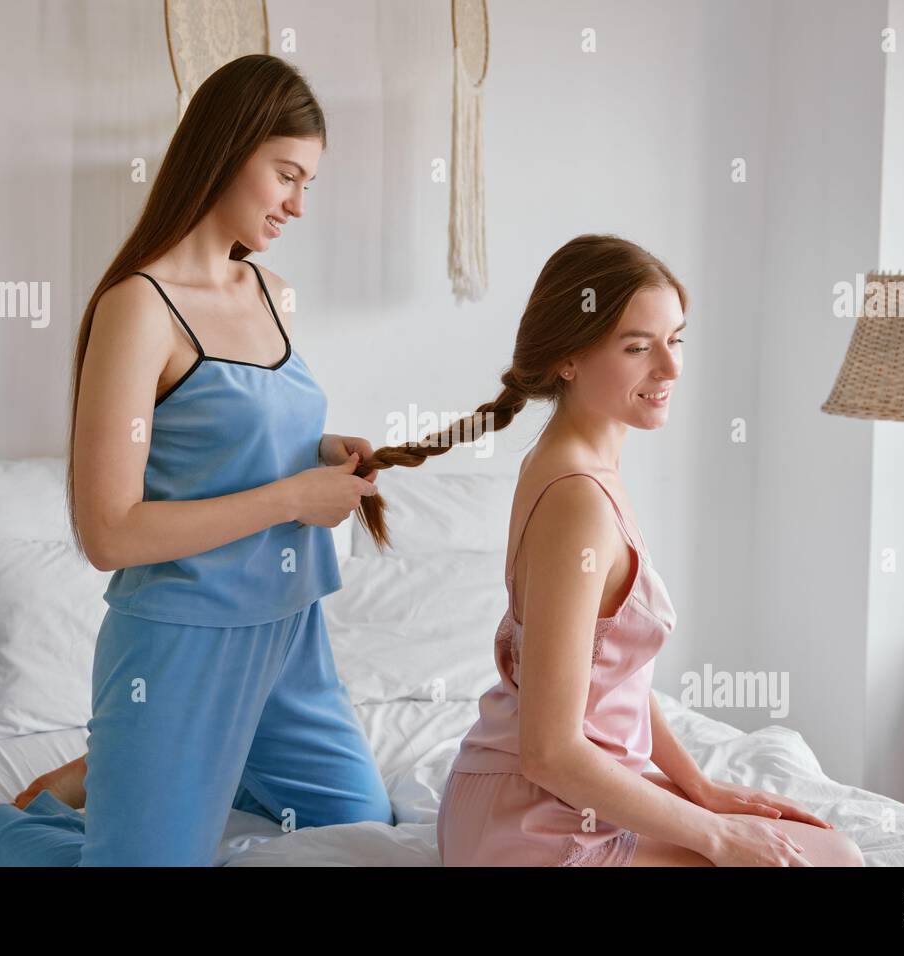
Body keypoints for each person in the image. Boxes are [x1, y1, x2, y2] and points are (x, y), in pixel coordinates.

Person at [0, 54, 395, 865]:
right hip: (184, 641)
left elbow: (234, 434)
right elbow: (109, 532)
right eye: (286, 175)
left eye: (308, 185)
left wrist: (322, 452)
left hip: (291, 630)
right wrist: (295, 495)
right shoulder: (137, 309)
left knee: (362, 826)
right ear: (227, 150)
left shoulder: (272, 294)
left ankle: (125, 773)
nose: (297, 204)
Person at [354, 234, 865, 867]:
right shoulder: (578, 500)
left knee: (829, 851)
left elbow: (601, 670)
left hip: (539, 796)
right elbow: (549, 750)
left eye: (676, 339)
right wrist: (716, 835)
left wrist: (700, 788)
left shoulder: (577, 464)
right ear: (568, 359)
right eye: (637, 347)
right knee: (831, 861)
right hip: (532, 817)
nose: (671, 367)